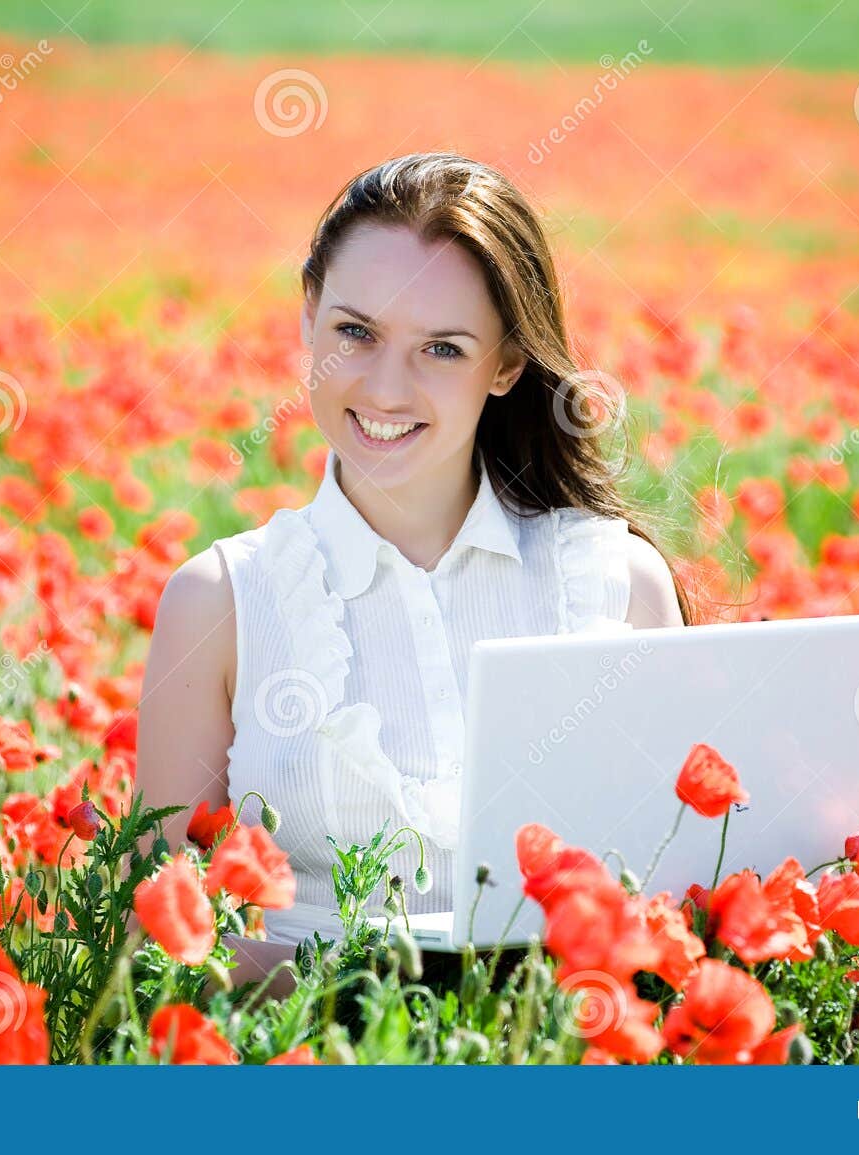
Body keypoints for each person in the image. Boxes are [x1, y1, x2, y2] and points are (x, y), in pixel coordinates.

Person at [136, 151, 692, 1001]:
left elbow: (676, 901)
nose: (386, 389)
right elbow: (153, 943)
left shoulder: (618, 585)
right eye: (355, 332)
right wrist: (383, 988)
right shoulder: (221, 603)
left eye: (442, 348)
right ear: (309, 316)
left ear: (506, 364)